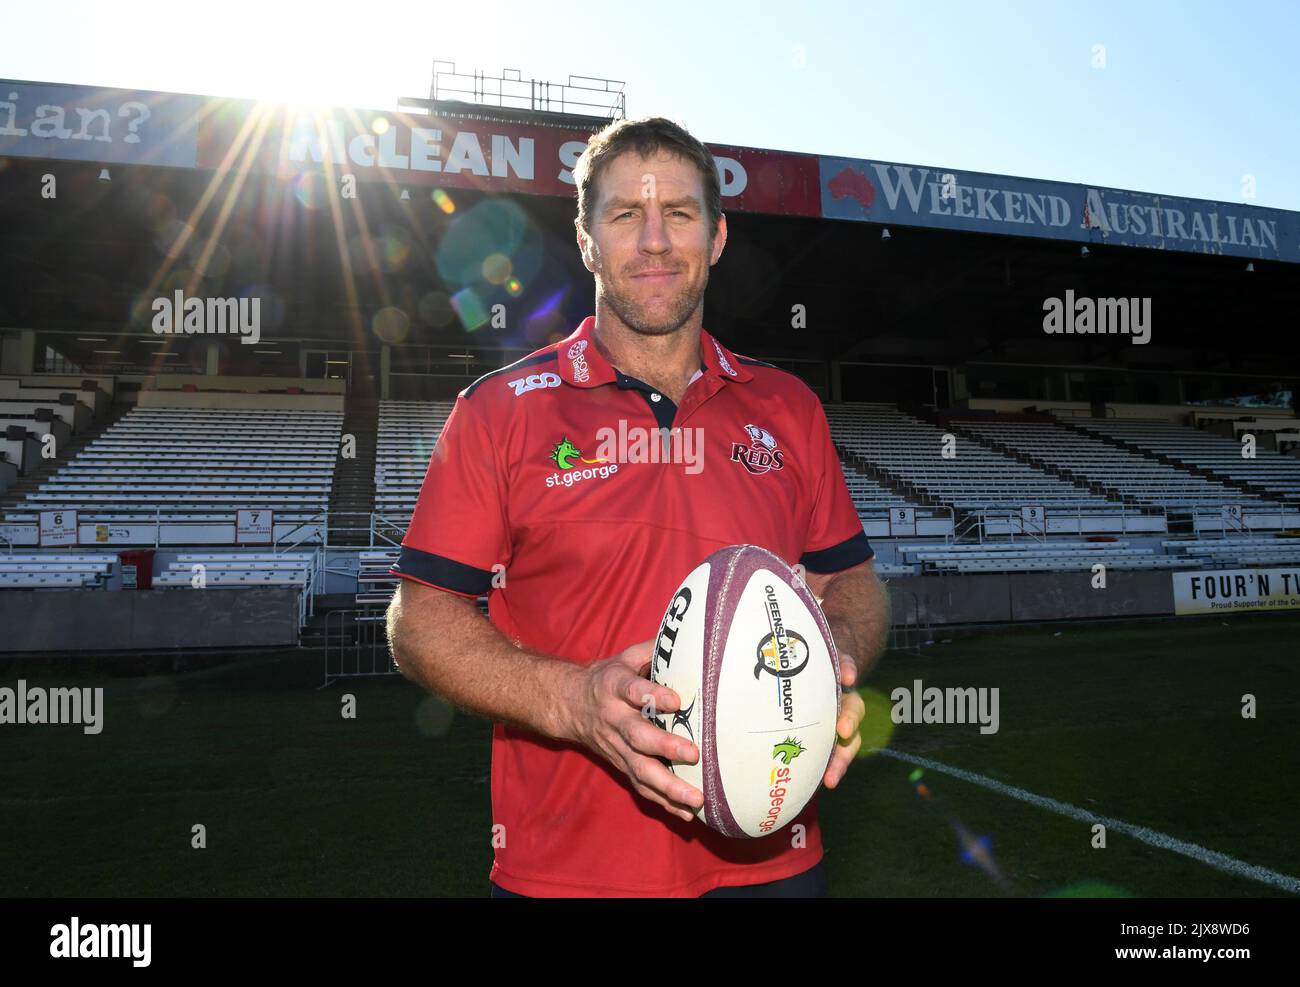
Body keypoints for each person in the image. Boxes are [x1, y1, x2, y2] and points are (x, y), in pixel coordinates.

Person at [386, 115, 890, 897]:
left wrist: (834, 664)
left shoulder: (789, 409)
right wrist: (575, 699)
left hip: (776, 858)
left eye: (680, 215)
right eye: (626, 215)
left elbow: (852, 583)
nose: (654, 242)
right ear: (587, 241)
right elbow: (419, 621)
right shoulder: (499, 411)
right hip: (569, 874)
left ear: (717, 238)